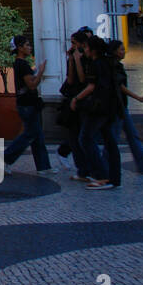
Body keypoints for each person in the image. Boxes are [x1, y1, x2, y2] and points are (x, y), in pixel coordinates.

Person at [68, 35, 121, 190]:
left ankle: (101, 175)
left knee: (85, 137)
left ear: (92, 49)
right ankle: (113, 178)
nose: (84, 50)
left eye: (86, 47)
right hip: (110, 107)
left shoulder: (95, 64)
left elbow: (91, 86)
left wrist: (75, 99)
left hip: (98, 107)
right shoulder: (108, 62)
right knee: (110, 141)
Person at [3, 35, 52, 174]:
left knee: (37, 135)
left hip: (27, 103)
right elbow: (31, 85)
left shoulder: (20, 63)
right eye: (27, 44)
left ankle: (44, 166)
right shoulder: (22, 64)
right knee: (30, 134)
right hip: (27, 104)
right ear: (19, 48)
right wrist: (41, 72)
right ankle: (6, 158)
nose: (30, 47)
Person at [111, 39, 143, 175]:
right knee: (113, 139)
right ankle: (100, 167)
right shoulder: (114, 66)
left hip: (121, 107)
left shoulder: (116, 65)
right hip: (118, 107)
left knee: (131, 135)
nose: (123, 52)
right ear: (115, 51)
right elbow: (121, 87)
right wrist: (138, 97)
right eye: (121, 49)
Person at [56, 28, 92, 177]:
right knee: (75, 136)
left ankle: (87, 167)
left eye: (74, 43)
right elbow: (71, 80)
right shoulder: (73, 57)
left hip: (84, 99)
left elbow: (83, 79)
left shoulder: (87, 58)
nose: (72, 45)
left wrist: (77, 59)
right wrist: (71, 60)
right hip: (73, 99)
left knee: (84, 136)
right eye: (71, 43)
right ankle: (82, 168)